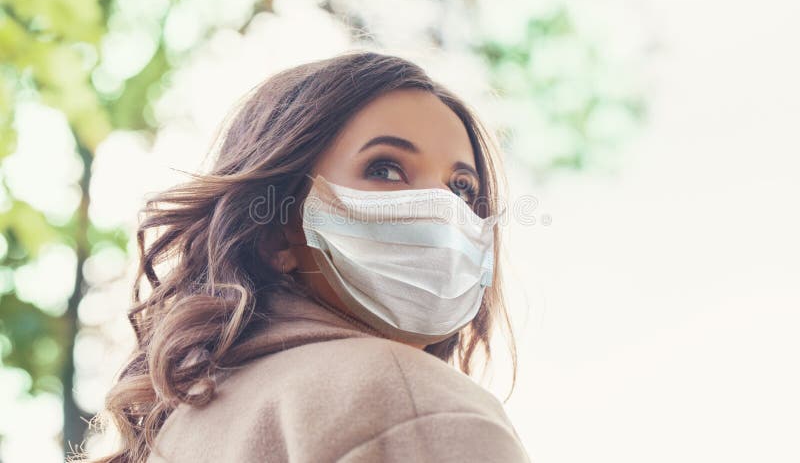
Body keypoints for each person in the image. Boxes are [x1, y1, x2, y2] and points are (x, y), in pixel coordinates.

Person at [76, 51, 531, 462]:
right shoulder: (414, 403)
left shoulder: (186, 423)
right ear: (277, 235)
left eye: (462, 189)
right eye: (386, 169)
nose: (444, 212)